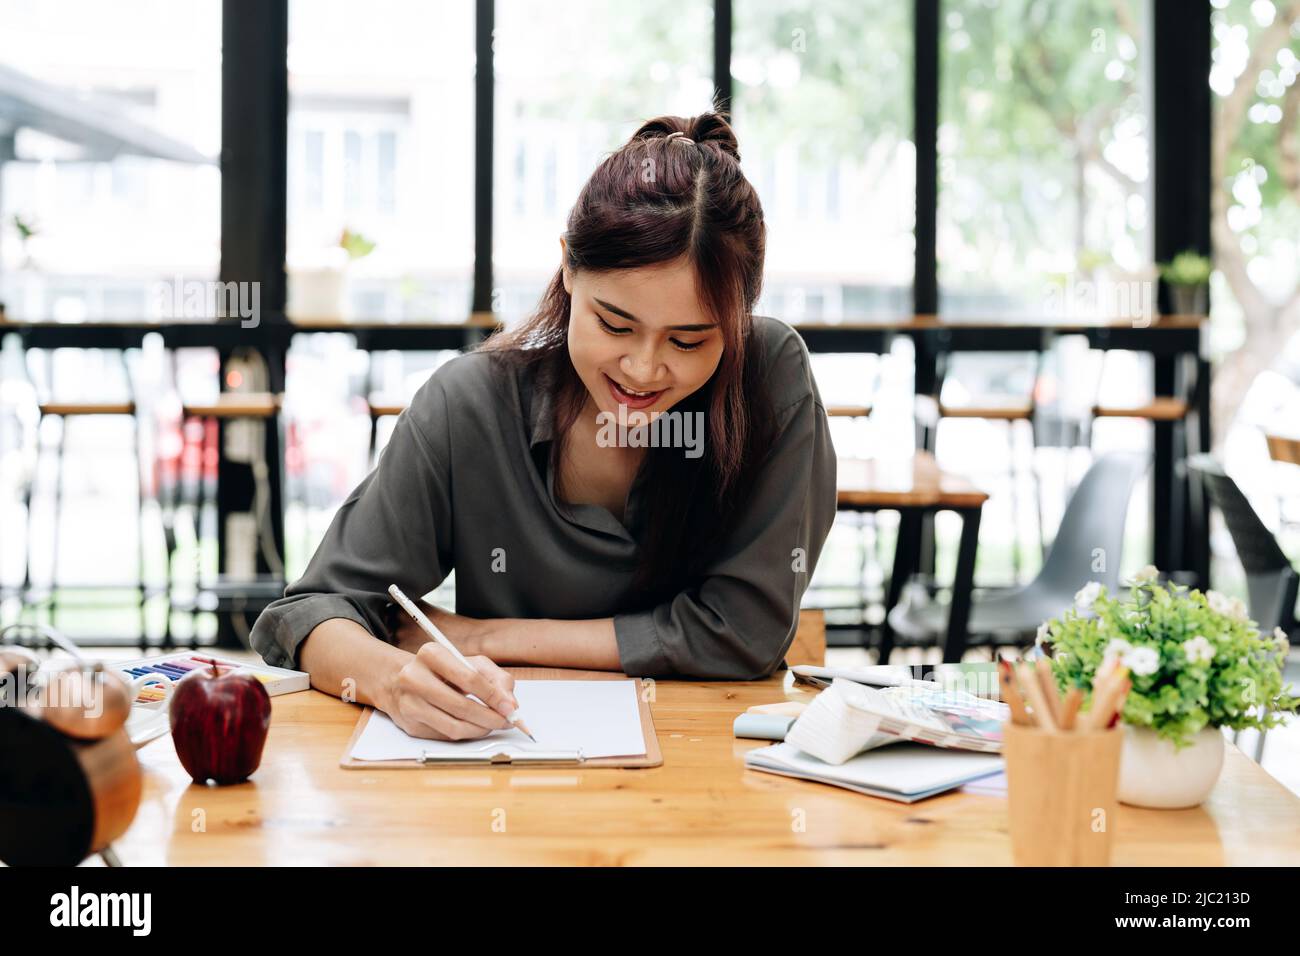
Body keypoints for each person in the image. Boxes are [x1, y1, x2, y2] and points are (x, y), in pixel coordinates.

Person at [249, 111, 838, 740]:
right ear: (567, 268)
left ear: (740, 320)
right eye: (614, 324)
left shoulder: (768, 377)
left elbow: (743, 633)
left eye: (689, 340)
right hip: (503, 770)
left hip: (714, 776)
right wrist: (395, 680)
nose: (643, 369)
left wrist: (486, 636)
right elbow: (312, 612)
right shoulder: (469, 404)